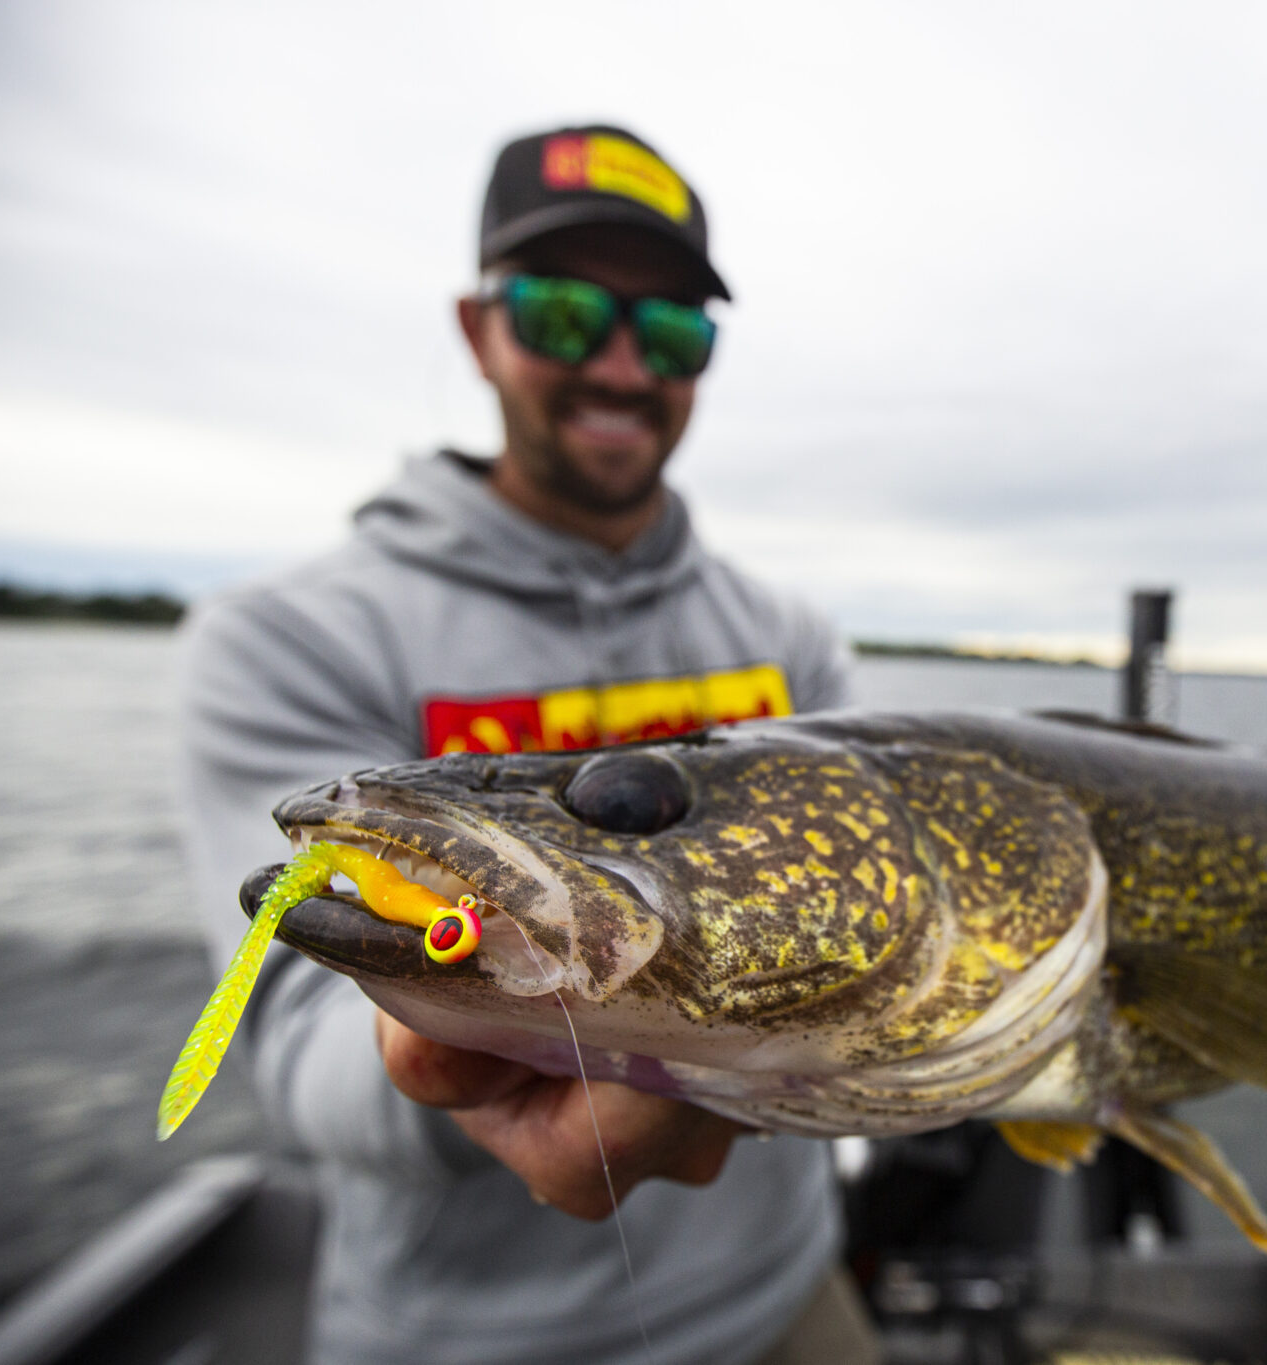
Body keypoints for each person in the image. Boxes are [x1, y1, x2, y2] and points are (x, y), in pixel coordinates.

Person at [177, 125, 878, 1365]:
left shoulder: (793, 640)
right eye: (562, 315)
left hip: (785, 1297)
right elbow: (293, 1039)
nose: (620, 365)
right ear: (476, 328)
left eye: (669, 333)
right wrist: (462, 1041)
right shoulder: (286, 637)